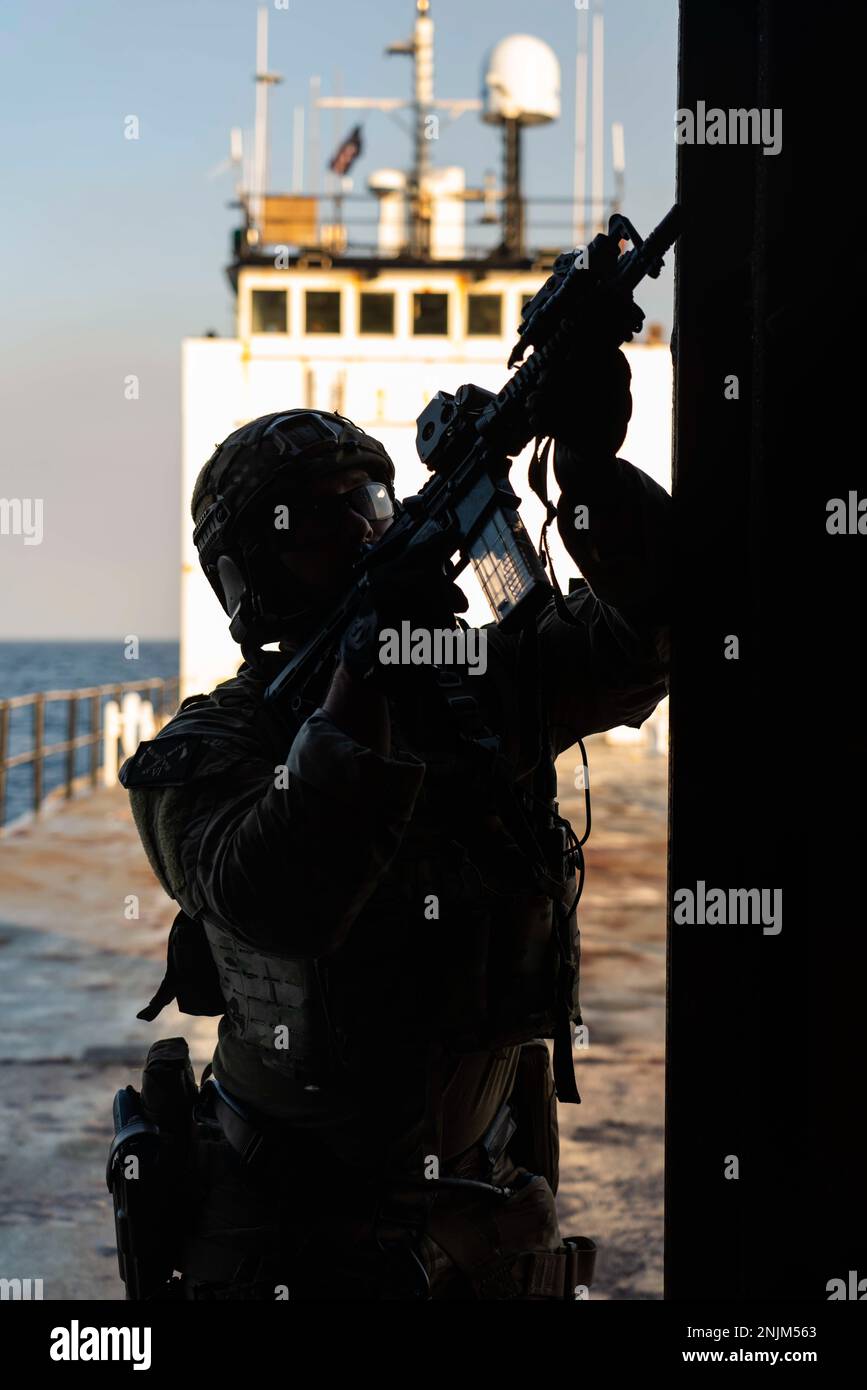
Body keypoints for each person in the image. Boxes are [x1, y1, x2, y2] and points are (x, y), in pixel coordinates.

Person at [118, 348, 671, 1300]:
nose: (362, 535)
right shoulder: (207, 750)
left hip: (484, 1209)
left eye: (371, 505)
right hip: (291, 1236)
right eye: (317, 522)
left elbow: (654, 632)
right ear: (249, 574)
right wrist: (363, 678)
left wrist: (585, 476)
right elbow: (281, 898)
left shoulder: (477, 688)